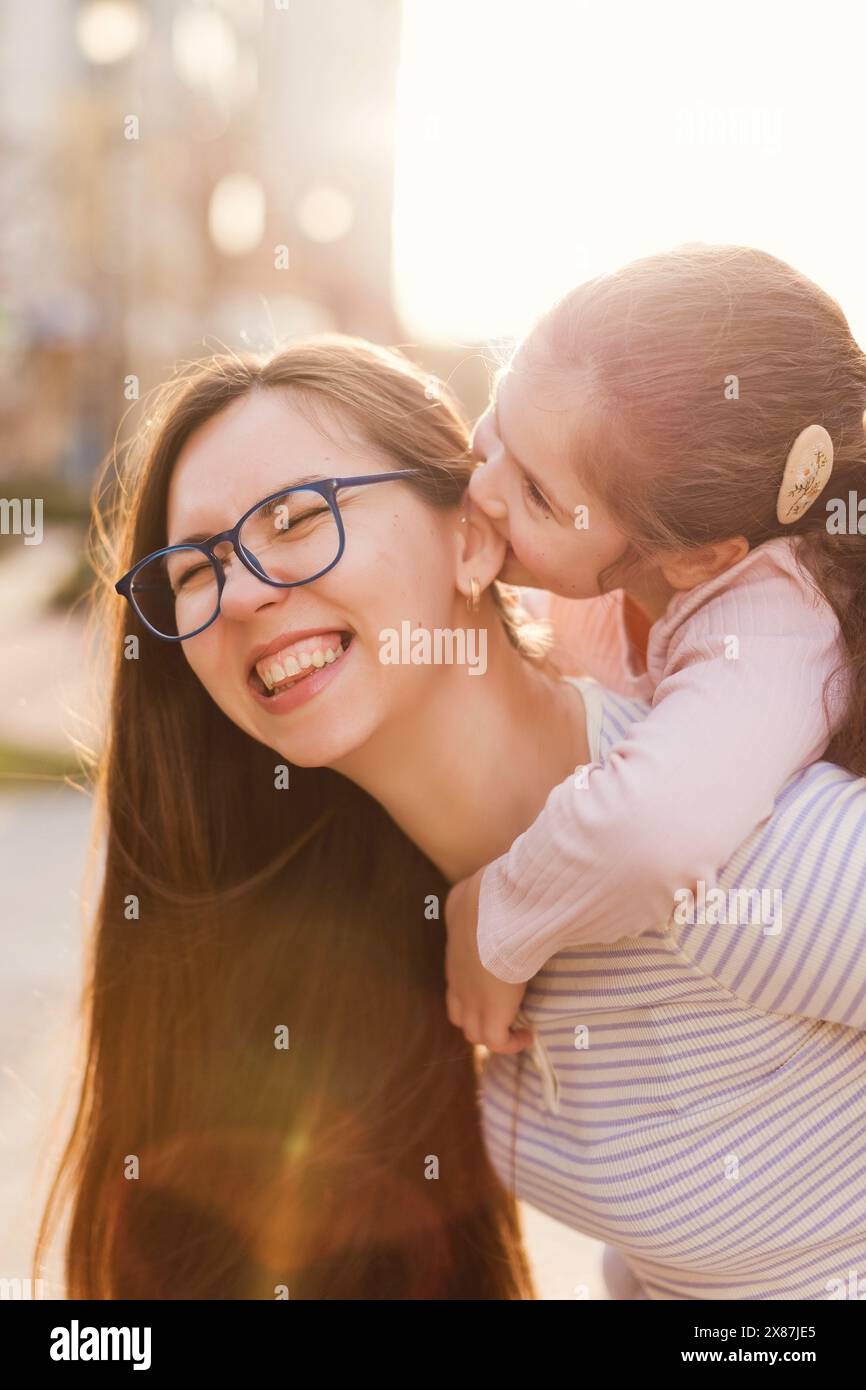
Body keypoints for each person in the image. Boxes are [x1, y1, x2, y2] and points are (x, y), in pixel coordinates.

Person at [444, 243, 866, 1059]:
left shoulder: (776, 626)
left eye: (533, 493)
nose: (483, 486)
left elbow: (653, 832)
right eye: (496, 422)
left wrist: (495, 919)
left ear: (701, 559)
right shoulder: (637, 567)